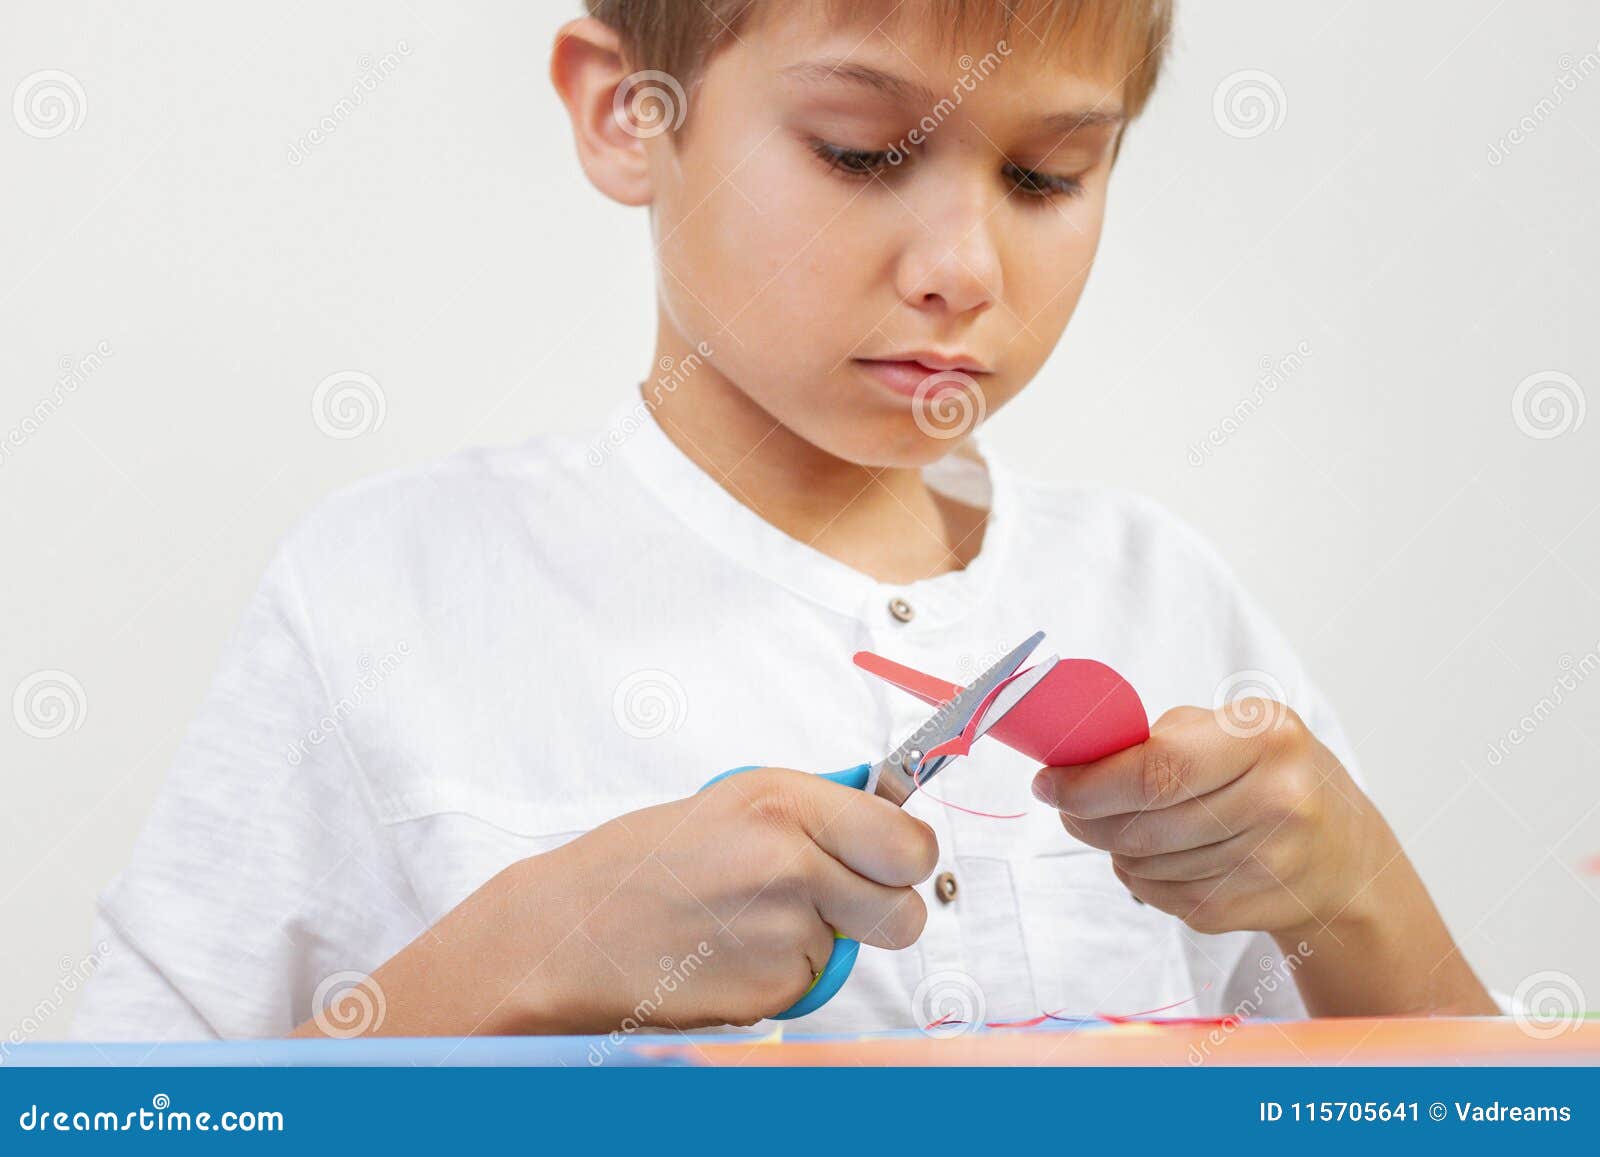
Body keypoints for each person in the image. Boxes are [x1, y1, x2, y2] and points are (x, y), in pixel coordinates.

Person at [72, 0, 1496, 1042]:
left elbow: (1482, 1126)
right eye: (864, 153)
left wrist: (1359, 900)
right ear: (628, 112)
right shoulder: (384, 594)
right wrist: (511, 960)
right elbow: (131, 1132)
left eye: (1048, 175)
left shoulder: (1172, 598)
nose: (961, 268)